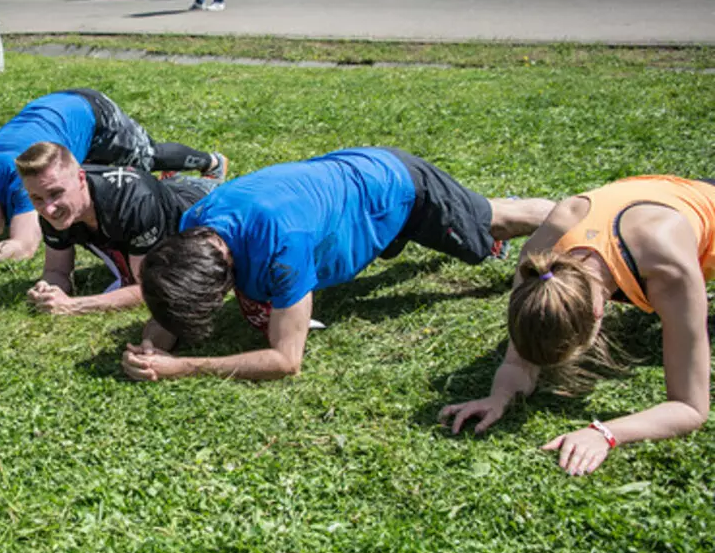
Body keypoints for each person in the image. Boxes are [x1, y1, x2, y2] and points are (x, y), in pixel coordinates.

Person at [123, 147, 554, 382]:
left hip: (398, 188)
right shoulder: (195, 226)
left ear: (222, 285)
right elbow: (174, 294)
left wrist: (181, 367)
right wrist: (152, 343)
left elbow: (286, 358)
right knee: (482, 231)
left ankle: (578, 214)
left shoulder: (280, 247)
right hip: (347, 186)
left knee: (494, 224)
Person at [439, 175, 715, 476]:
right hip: (665, 198)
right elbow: (518, 364)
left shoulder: (668, 270)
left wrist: (605, 433)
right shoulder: (537, 266)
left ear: (599, 313)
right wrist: (498, 396)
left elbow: (690, 407)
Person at [0, 89, 226, 269]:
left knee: (146, 156)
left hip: (89, 111)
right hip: (47, 107)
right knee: (98, 179)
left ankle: (211, 162)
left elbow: (23, 246)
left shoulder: (21, 177)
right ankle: (174, 183)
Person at [17, 141, 224, 315]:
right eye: (36, 198)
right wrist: (47, 290)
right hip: (156, 198)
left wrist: (73, 306)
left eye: (56, 193)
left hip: (199, 203)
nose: (49, 209)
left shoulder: (134, 203)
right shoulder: (51, 206)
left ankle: (212, 167)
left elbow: (147, 289)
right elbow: (56, 270)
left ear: (81, 179)